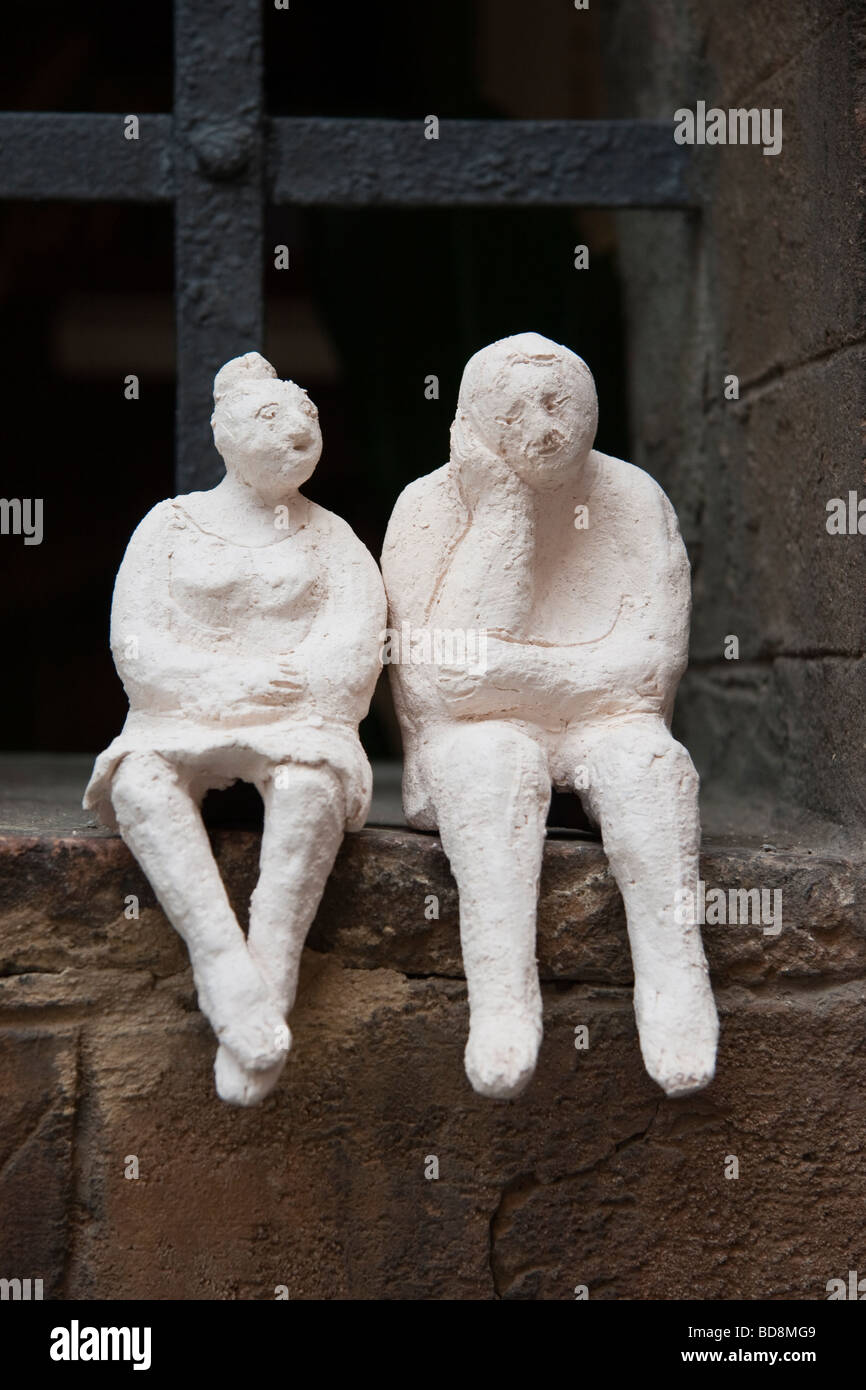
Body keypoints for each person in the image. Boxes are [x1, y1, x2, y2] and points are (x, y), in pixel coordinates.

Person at [382, 332, 718, 1100]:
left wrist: (502, 673)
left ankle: (675, 981)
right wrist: (502, 513)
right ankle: (502, 998)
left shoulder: (634, 499)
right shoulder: (427, 506)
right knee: (492, 761)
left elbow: (649, 672)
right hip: (469, 744)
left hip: (609, 731)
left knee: (650, 766)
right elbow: (439, 686)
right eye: (517, 410)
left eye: (561, 403)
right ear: (474, 424)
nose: (547, 426)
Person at [85, 352, 386, 1105]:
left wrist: (296, 686)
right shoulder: (169, 525)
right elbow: (136, 646)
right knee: (141, 784)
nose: (299, 431)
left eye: (308, 416)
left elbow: (357, 649)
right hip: (181, 718)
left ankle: (271, 970)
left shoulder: (332, 537)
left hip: (300, 725)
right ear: (224, 435)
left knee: (310, 788)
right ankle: (220, 959)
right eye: (271, 417)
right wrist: (235, 683)